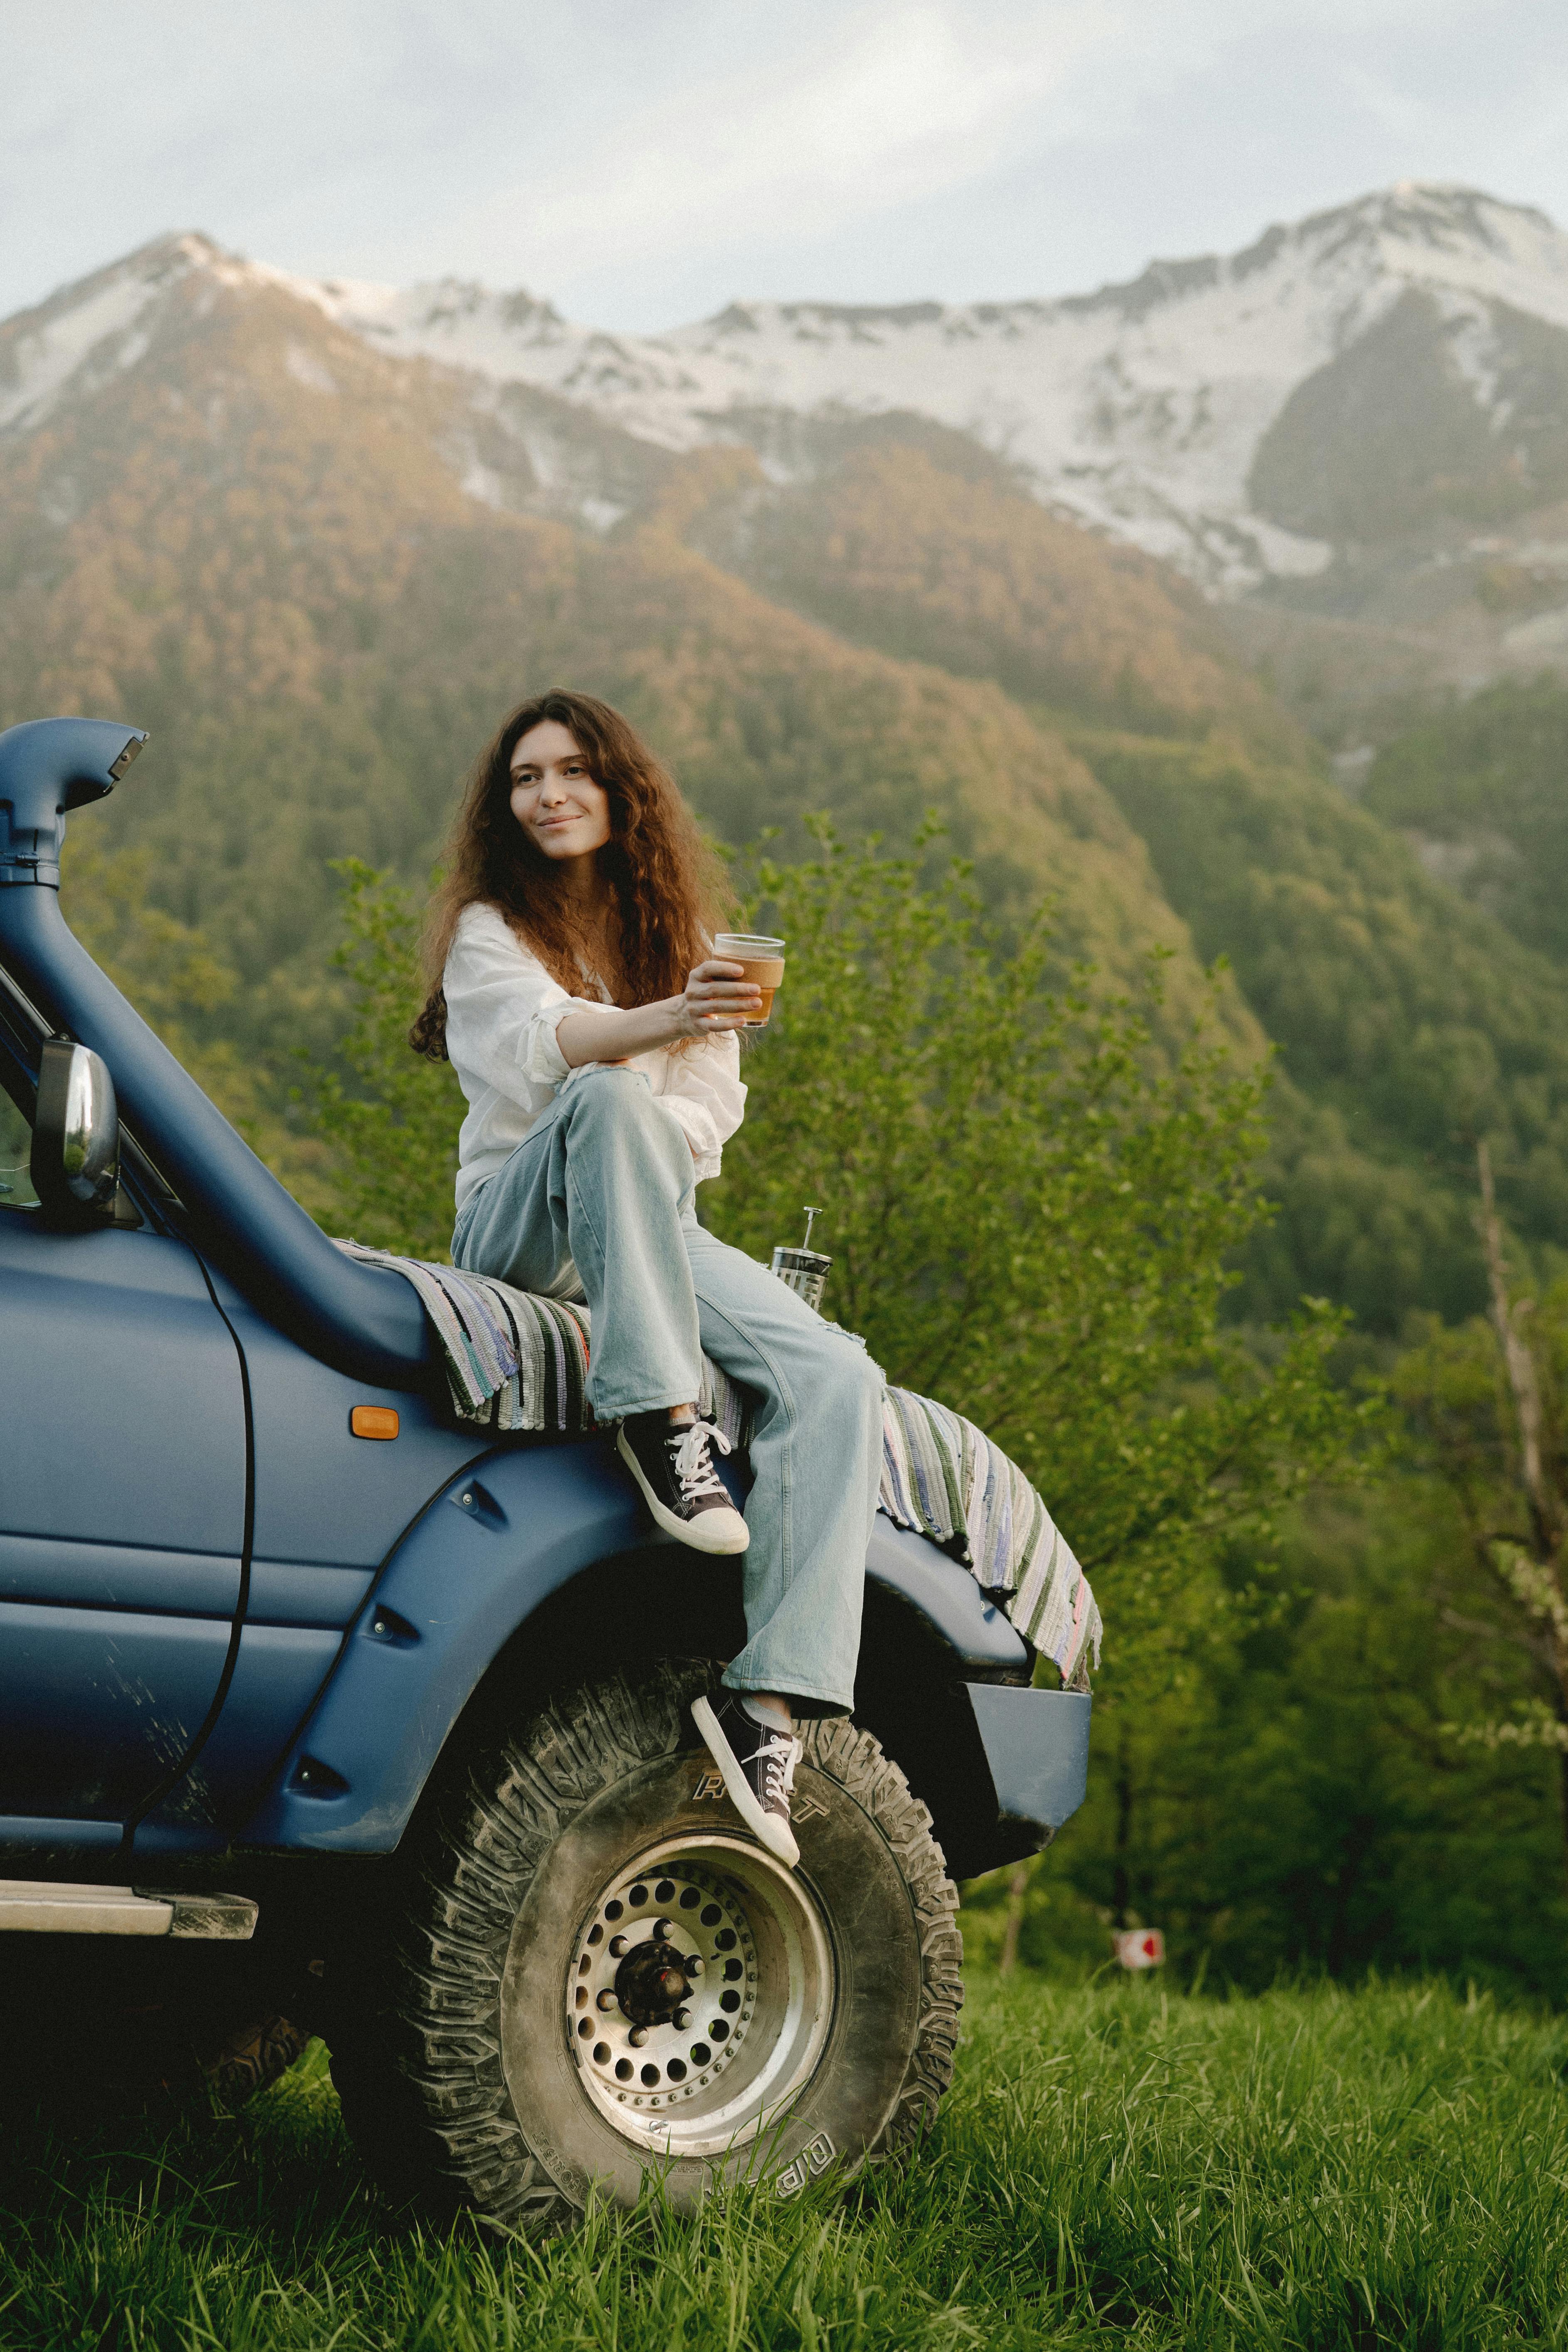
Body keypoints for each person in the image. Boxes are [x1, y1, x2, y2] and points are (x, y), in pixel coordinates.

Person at [410, 690, 885, 1868]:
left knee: (835, 1375)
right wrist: (660, 1023)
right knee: (606, 1093)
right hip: (522, 1225)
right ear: (504, 804)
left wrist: (661, 1086)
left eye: (575, 771)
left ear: (623, 794)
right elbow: (541, 1053)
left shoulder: (682, 934)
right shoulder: (486, 928)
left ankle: (768, 1706)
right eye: (526, 777)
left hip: (649, 1227)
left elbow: (708, 1114)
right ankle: (659, 1418)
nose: (550, 794)